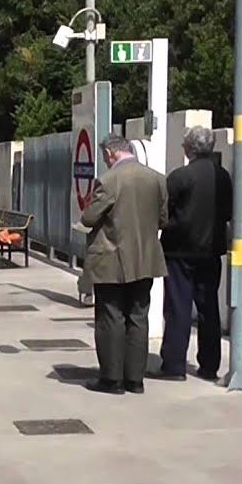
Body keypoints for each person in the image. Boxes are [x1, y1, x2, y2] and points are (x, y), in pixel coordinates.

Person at [80, 134, 168, 395]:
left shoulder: (108, 182)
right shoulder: (157, 179)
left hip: (111, 259)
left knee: (111, 317)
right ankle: (135, 379)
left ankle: (111, 378)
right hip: (146, 258)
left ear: (110, 153)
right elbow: (163, 219)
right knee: (138, 317)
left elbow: (88, 217)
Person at [157, 126, 233, 381]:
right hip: (211, 251)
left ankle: (174, 365)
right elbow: (228, 212)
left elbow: (164, 212)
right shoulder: (223, 177)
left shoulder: (180, 177)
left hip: (179, 250)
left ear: (189, 149)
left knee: (178, 307)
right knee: (209, 308)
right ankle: (209, 365)